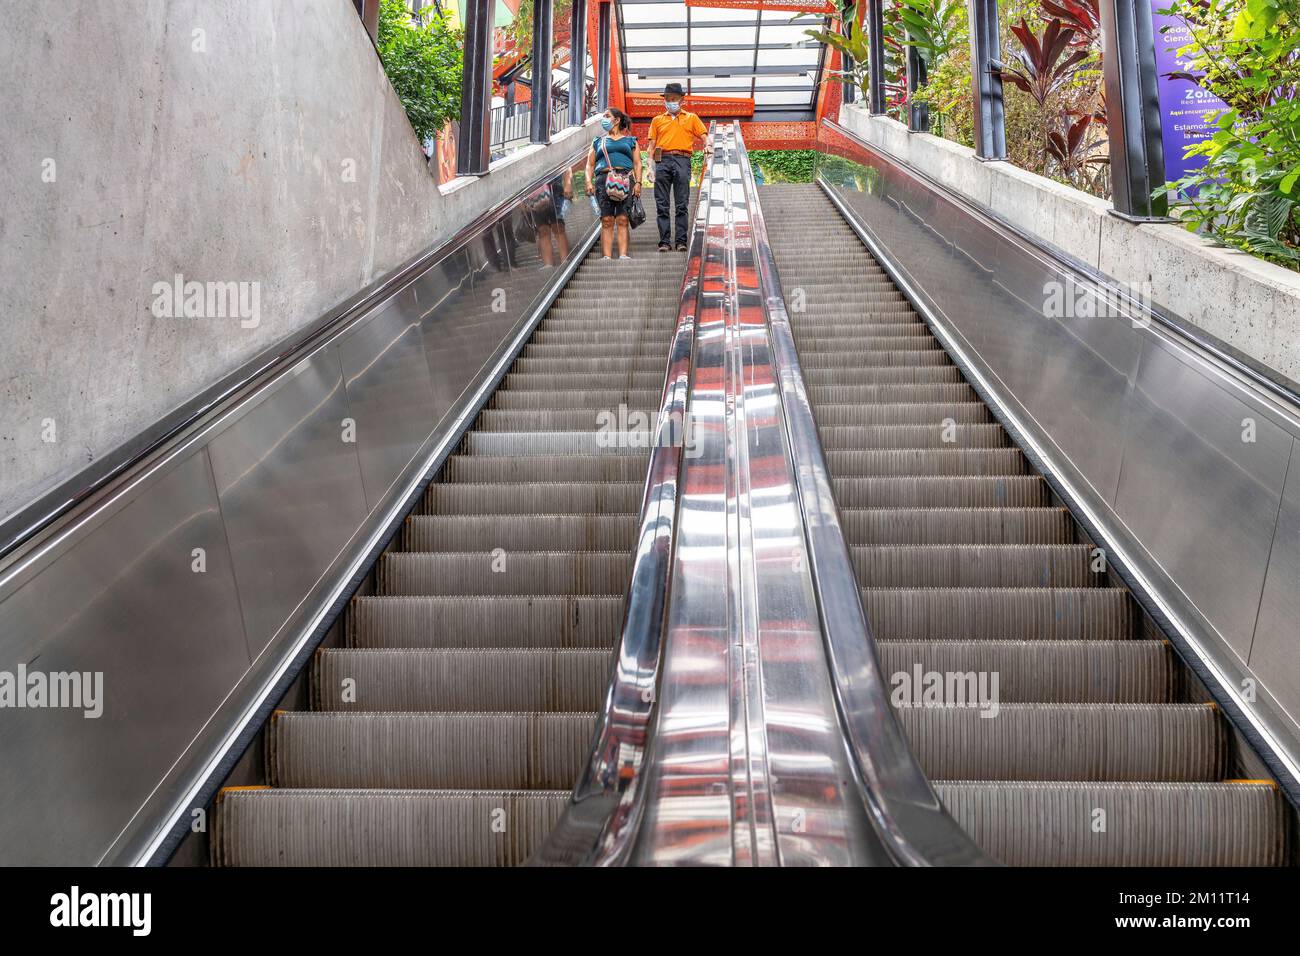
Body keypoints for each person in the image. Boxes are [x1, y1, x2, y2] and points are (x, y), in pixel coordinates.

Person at [646, 83, 708, 253]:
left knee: (682, 203)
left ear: (682, 100)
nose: (670, 102)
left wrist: (707, 146)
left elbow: (704, 135)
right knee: (662, 204)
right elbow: (651, 146)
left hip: (683, 159)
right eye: (667, 99)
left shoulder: (691, 118)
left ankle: (681, 241)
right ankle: (664, 242)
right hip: (662, 161)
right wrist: (649, 167)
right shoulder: (657, 120)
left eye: (673, 99)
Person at [584, 107, 642, 260]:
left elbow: (637, 163)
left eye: (607, 116)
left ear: (616, 120)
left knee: (623, 218)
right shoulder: (598, 141)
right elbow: (590, 164)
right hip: (603, 180)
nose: (604, 119)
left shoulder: (631, 141)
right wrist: (588, 181)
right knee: (607, 219)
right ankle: (606, 256)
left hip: (625, 179)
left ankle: (623, 254)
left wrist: (638, 183)